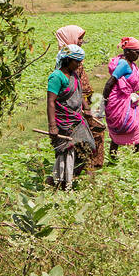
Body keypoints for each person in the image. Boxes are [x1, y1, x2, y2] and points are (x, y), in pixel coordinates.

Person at [55, 24, 105, 171]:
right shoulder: (66, 61)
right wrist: (85, 107)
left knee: (93, 131)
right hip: (76, 104)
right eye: (79, 38)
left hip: (85, 100)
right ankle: (86, 166)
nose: (82, 40)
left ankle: (86, 165)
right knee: (92, 132)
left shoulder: (74, 57)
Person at [46, 48, 95, 189]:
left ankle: (74, 175)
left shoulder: (74, 75)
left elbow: (79, 94)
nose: (79, 64)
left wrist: (86, 107)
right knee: (65, 151)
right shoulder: (56, 77)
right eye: (77, 61)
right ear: (68, 60)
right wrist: (52, 126)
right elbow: (51, 102)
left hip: (77, 120)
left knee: (86, 146)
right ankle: (61, 181)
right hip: (63, 122)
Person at [103, 36, 139, 158]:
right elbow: (110, 82)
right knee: (123, 128)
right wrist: (104, 100)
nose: (138, 55)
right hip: (119, 102)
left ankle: (133, 157)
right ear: (127, 51)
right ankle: (114, 158)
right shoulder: (124, 64)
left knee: (134, 127)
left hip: (127, 101)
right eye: (136, 52)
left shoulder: (130, 64)